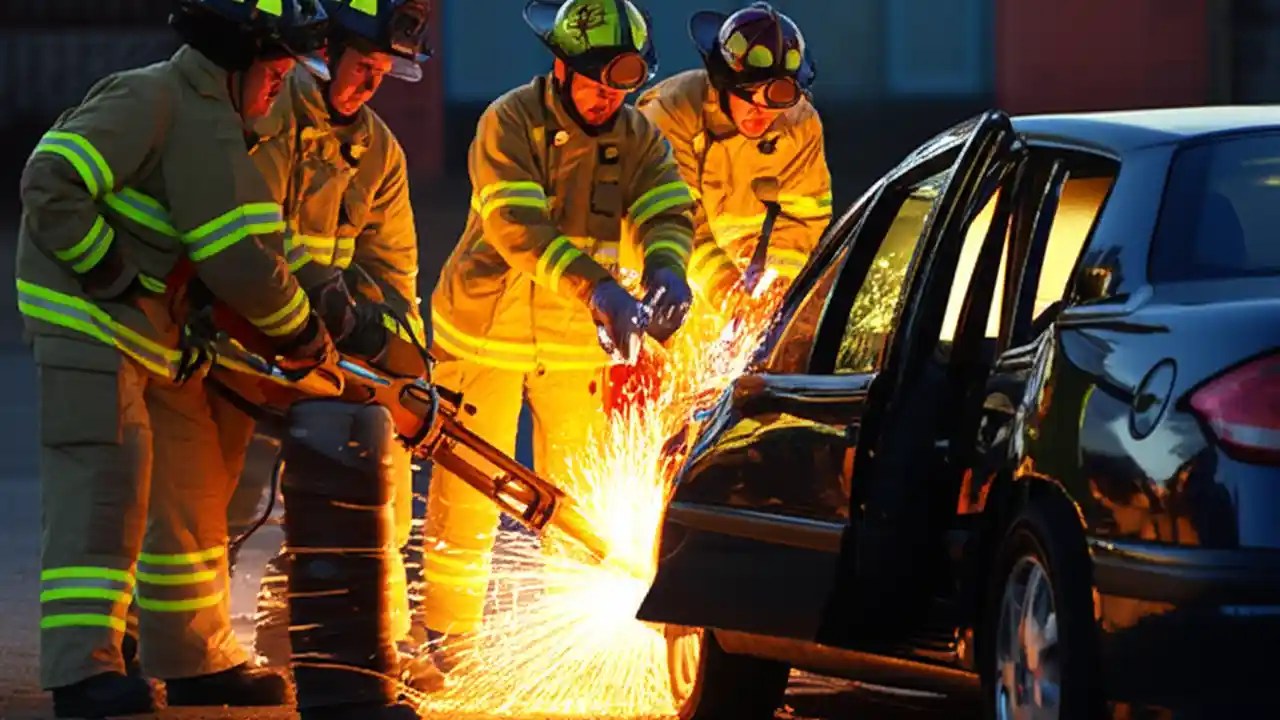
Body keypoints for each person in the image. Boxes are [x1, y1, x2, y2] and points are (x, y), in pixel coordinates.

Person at [16, 0, 338, 715]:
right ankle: (82, 673)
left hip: (158, 338)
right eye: (275, 69)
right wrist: (111, 274)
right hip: (89, 327)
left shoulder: (228, 126)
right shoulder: (151, 97)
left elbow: (242, 250)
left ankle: (192, 658)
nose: (280, 86)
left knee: (194, 487)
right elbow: (48, 181)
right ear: (236, 57)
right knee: (107, 489)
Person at [422, 0, 696, 672]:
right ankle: (451, 644)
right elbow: (515, 225)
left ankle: (571, 642)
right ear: (560, 66)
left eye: (623, 89)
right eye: (599, 84)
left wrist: (668, 270)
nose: (610, 100)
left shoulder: (638, 134)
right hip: (485, 332)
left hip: (577, 341)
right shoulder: (507, 120)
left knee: (575, 495)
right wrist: (598, 287)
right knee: (469, 492)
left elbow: (666, 205)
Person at [233, 0, 438, 691]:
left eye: (383, 72)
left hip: (321, 348)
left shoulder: (379, 150)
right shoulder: (265, 111)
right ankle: (158, 639)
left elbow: (394, 272)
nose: (371, 85)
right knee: (219, 498)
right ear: (326, 52)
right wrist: (329, 298)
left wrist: (402, 359)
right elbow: (250, 233)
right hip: (242, 337)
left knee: (365, 479)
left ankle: (345, 638)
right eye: (365, 67)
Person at [636, 2, 832, 319]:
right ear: (723, 82)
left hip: (739, 283)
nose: (762, 114)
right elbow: (671, 220)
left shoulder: (799, 125)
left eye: (774, 104)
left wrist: (776, 285)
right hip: (661, 281)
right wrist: (728, 292)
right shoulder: (669, 112)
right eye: (750, 97)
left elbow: (804, 218)